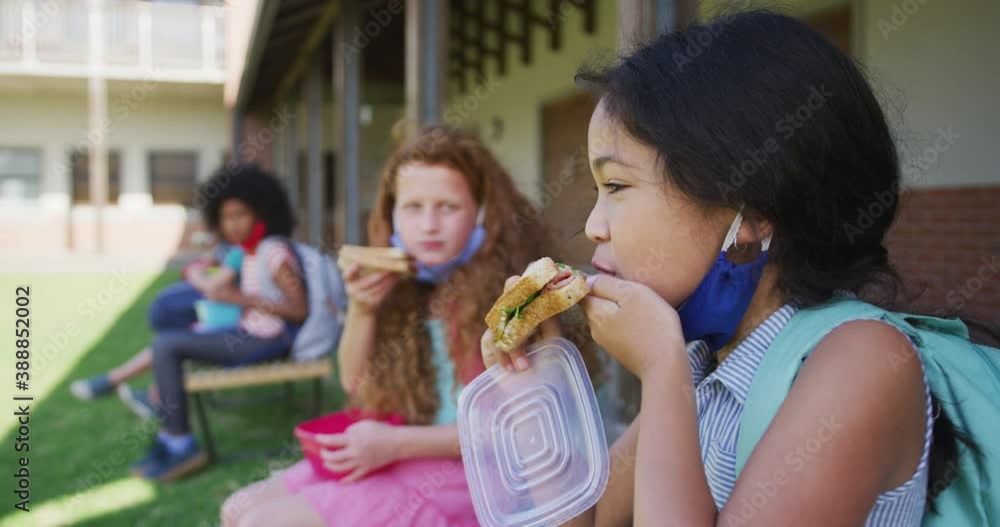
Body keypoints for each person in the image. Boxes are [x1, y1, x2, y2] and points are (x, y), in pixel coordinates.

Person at [484, 10, 983, 526]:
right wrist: (536, 385)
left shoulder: (861, 361)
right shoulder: (709, 364)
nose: (593, 227)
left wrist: (660, 372)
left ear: (751, 211)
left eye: (616, 187)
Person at [220, 125, 576, 527]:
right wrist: (362, 310)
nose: (428, 225)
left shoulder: (509, 295)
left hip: (481, 475)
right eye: (412, 207)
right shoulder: (401, 284)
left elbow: (510, 431)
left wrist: (395, 444)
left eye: (448, 207)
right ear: (391, 214)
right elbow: (357, 386)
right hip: (405, 454)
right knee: (236, 509)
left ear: (482, 212)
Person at [79, 164, 308, 481]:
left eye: (240, 214)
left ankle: (180, 443)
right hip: (249, 332)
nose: (232, 224)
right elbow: (213, 280)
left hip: (271, 338)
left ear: (262, 211)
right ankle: (170, 438)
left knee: (168, 345)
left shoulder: (274, 251)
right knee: (170, 339)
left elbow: (299, 309)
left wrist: (239, 299)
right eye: (226, 217)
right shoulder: (249, 250)